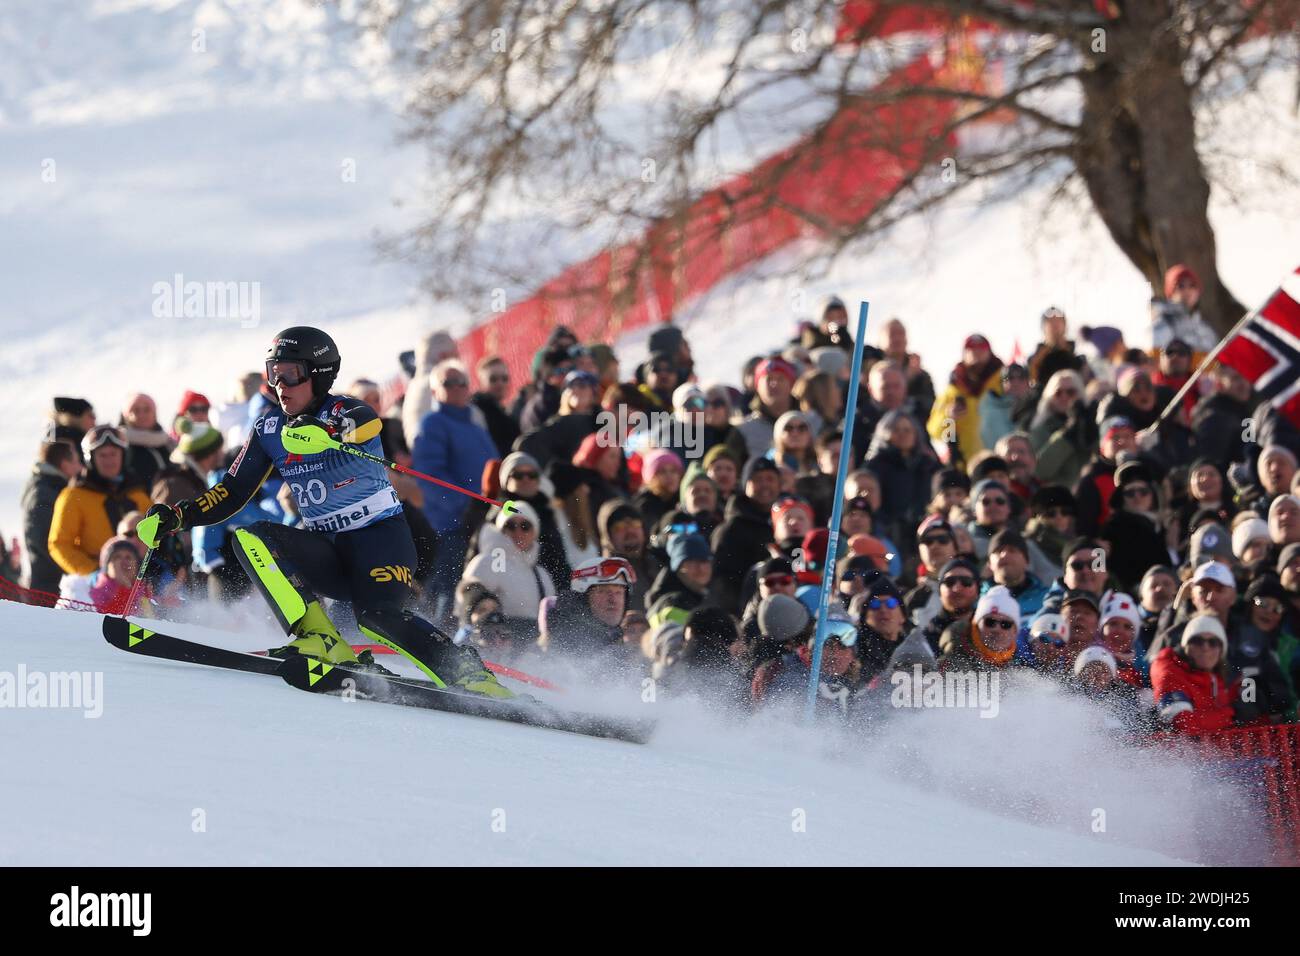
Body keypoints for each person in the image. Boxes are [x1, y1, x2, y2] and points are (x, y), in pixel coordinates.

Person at [137, 327, 515, 699]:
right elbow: (232, 492)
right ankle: (320, 639)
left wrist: (329, 430)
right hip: (329, 550)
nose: (279, 385)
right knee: (252, 538)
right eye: (273, 374)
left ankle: (465, 671)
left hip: (380, 540)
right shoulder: (269, 428)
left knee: (376, 619)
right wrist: (177, 517)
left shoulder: (344, 408)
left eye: (291, 374)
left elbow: (367, 421)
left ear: (318, 376)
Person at [412, 358, 499, 624]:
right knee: (448, 590)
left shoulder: (474, 427)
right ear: (436, 390)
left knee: (477, 587)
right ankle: (436, 640)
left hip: (483, 522)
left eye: (462, 382)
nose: (458, 388)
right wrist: (464, 508)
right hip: (451, 526)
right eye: (449, 383)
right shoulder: (432, 424)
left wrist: (490, 508)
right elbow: (429, 474)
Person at [48, 425, 153, 583]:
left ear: (123, 456)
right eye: (102, 455)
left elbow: (154, 537)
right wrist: (94, 573)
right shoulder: (74, 496)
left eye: (113, 454)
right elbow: (60, 544)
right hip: (96, 586)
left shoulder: (137, 493)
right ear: (90, 459)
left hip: (138, 581)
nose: (109, 460)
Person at [462, 502, 556, 637]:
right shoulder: (488, 562)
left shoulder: (541, 574)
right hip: (495, 645)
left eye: (525, 526)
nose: (518, 532)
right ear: (501, 530)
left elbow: (551, 617)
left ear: (535, 532)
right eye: (510, 526)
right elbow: (468, 602)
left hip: (534, 651)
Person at [1151, 612, 1241, 734]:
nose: (1205, 647)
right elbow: (1183, 724)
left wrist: (1252, 703)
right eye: (1197, 641)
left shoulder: (1215, 677)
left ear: (1221, 650)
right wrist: (1232, 714)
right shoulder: (1169, 672)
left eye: (1213, 642)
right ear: (1185, 646)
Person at [538, 555, 633, 660]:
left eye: (618, 592)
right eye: (603, 591)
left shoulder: (616, 643)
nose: (613, 600)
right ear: (583, 598)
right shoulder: (560, 643)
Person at [20, 441, 80, 598]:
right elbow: (45, 540)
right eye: (76, 462)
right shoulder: (44, 493)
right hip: (49, 590)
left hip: (52, 586)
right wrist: (77, 569)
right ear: (64, 464)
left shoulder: (47, 487)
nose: (80, 467)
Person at [119, 393, 174, 488]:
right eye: (136, 410)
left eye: (147, 410)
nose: (142, 414)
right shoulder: (120, 444)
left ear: (155, 413)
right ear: (126, 415)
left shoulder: (168, 443)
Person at [471, 355, 522, 457]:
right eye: (493, 379)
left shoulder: (503, 411)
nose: (500, 383)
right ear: (481, 382)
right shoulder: (477, 411)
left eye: (505, 378)